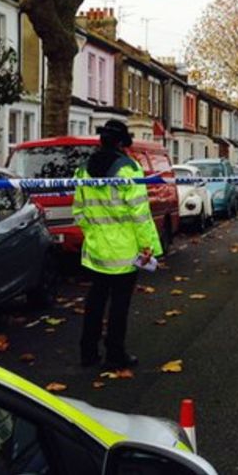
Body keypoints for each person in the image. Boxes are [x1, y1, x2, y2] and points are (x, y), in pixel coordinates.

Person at [73, 120, 163, 370]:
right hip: (125, 251)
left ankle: (88, 353)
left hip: (97, 251)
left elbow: (79, 211)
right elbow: (140, 213)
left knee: (94, 301)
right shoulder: (128, 170)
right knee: (119, 305)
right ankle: (115, 353)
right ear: (123, 142)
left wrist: (92, 235)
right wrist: (149, 247)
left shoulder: (82, 170)